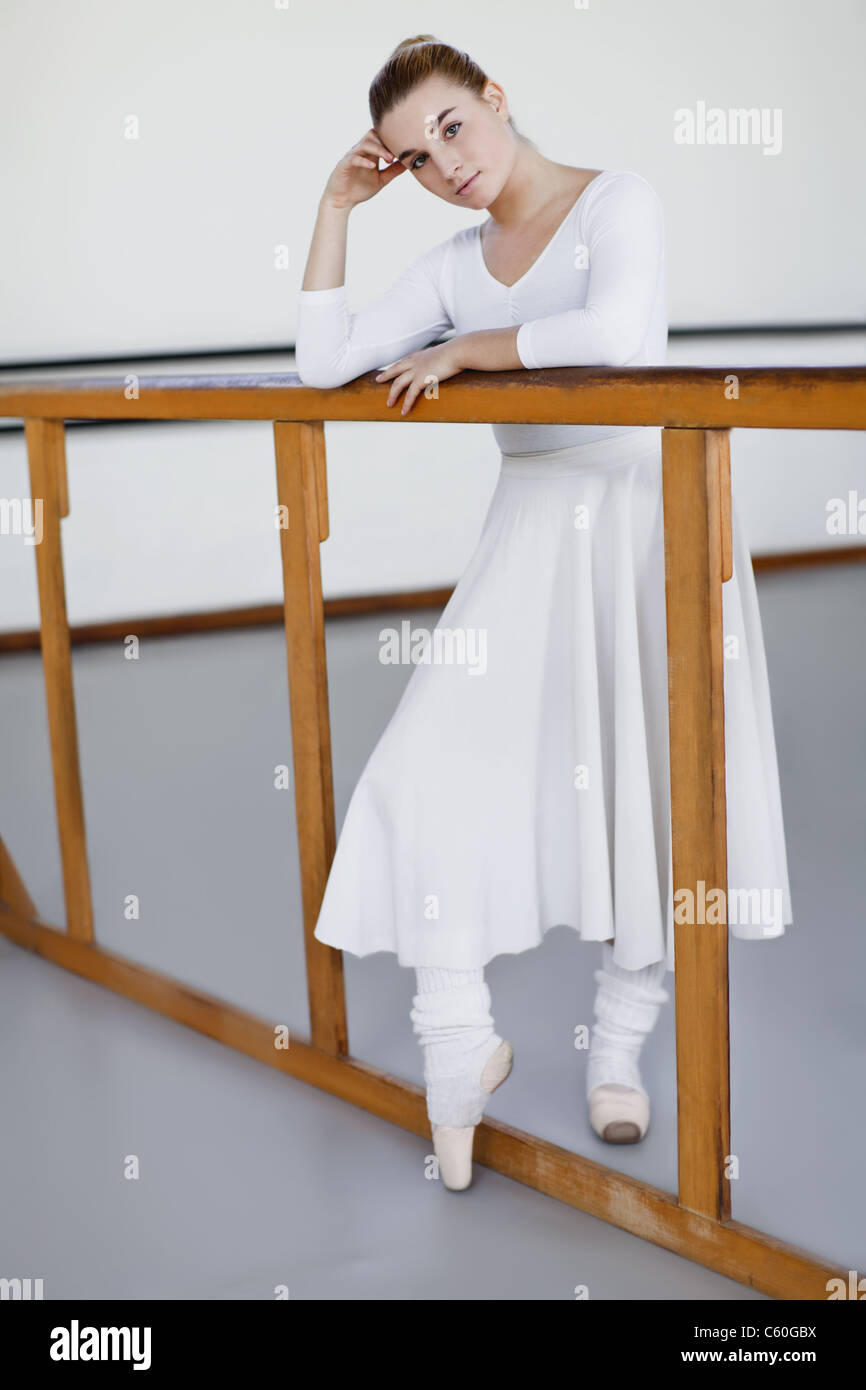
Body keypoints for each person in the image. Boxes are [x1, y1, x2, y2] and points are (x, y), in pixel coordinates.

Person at [294, 35, 792, 1189]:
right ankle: (459, 1048)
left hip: (647, 516)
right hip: (528, 529)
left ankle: (618, 1045)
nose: (443, 165)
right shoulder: (451, 258)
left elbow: (613, 336)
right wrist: (336, 204)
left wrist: (466, 351)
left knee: (653, 792)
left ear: (495, 100)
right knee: (425, 774)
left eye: (452, 129)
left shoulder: (617, 202)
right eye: (414, 158)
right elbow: (324, 362)